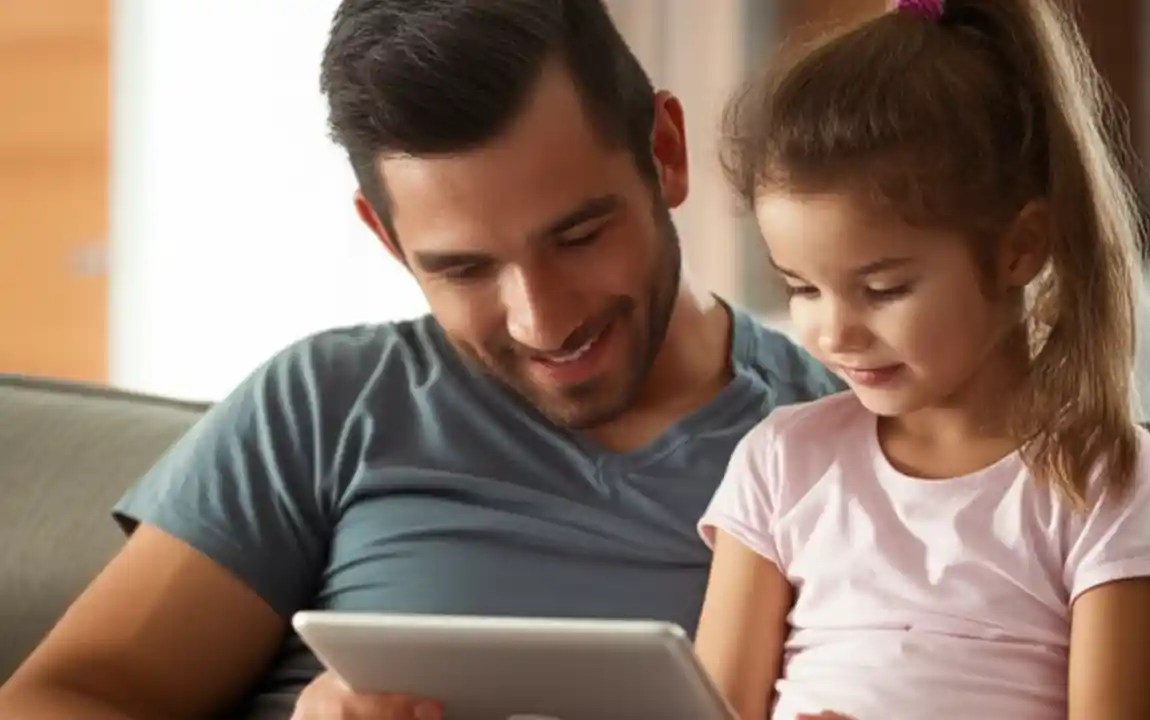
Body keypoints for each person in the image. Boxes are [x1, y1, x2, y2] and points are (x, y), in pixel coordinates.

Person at [0, 1, 840, 718]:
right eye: (463, 268)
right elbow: (56, 698)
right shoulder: (328, 406)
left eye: (579, 236)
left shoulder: (848, 445)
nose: (541, 320)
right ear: (386, 236)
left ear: (665, 151)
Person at [692, 1, 1150, 719]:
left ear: (1020, 248)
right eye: (800, 287)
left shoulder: (1102, 481)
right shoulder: (780, 464)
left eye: (883, 289)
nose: (834, 332)